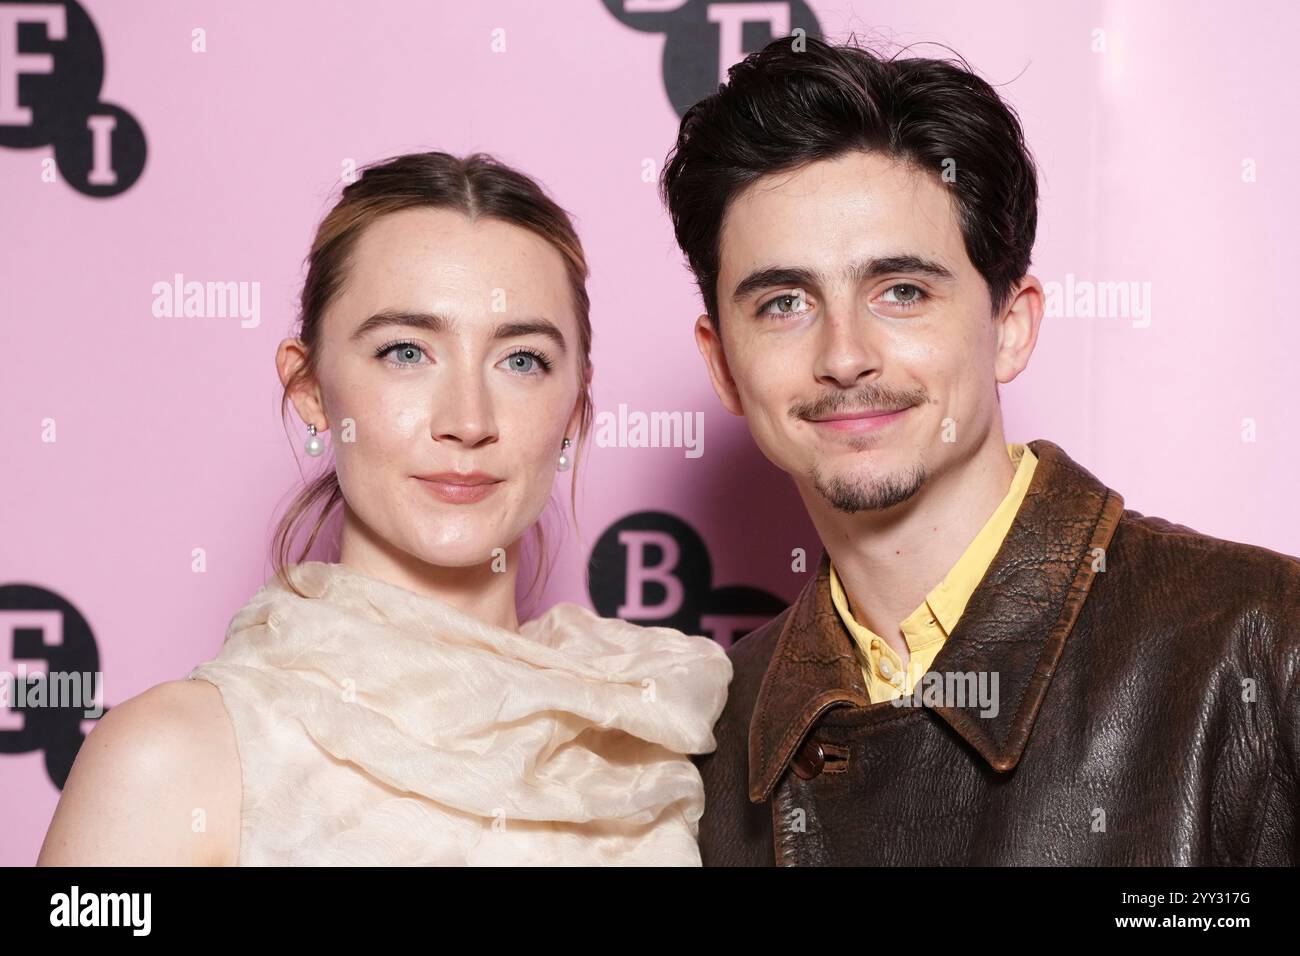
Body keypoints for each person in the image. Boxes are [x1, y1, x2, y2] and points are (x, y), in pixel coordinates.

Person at [658, 35, 1300, 865]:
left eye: (902, 292)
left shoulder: (1259, 646)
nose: (845, 355)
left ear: (1009, 325)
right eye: (783, 303)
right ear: (723, 365)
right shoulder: (704, 738)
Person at [37, 151, 731, 866]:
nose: (467, 419)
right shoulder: (176, 759)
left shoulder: (661, 725)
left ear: (575, 409)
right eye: (405, 352)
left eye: (521, 360)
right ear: (309, 388)